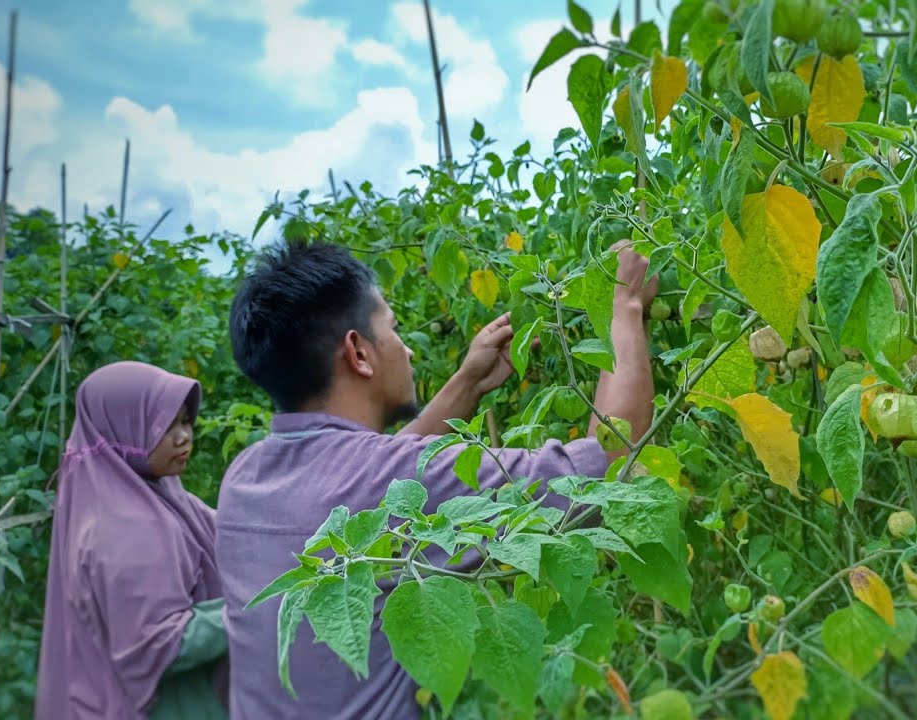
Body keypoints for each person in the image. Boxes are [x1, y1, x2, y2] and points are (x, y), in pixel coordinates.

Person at [215, 238, 656, 719]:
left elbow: (364, 475)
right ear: (358, 352)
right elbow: (605, 469)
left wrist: (469, 383)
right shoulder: (382, 477)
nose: (406, 349)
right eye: (393, 329)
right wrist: (623, 304)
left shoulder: (243, 478)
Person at [35, 361, 229, 720]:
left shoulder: (146, 491)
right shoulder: (125, 525)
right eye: (164, 426)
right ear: (121, 429)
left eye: (185, 421)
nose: (183, 437)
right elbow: (160, 644)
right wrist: (251, 612)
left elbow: (231, 532)